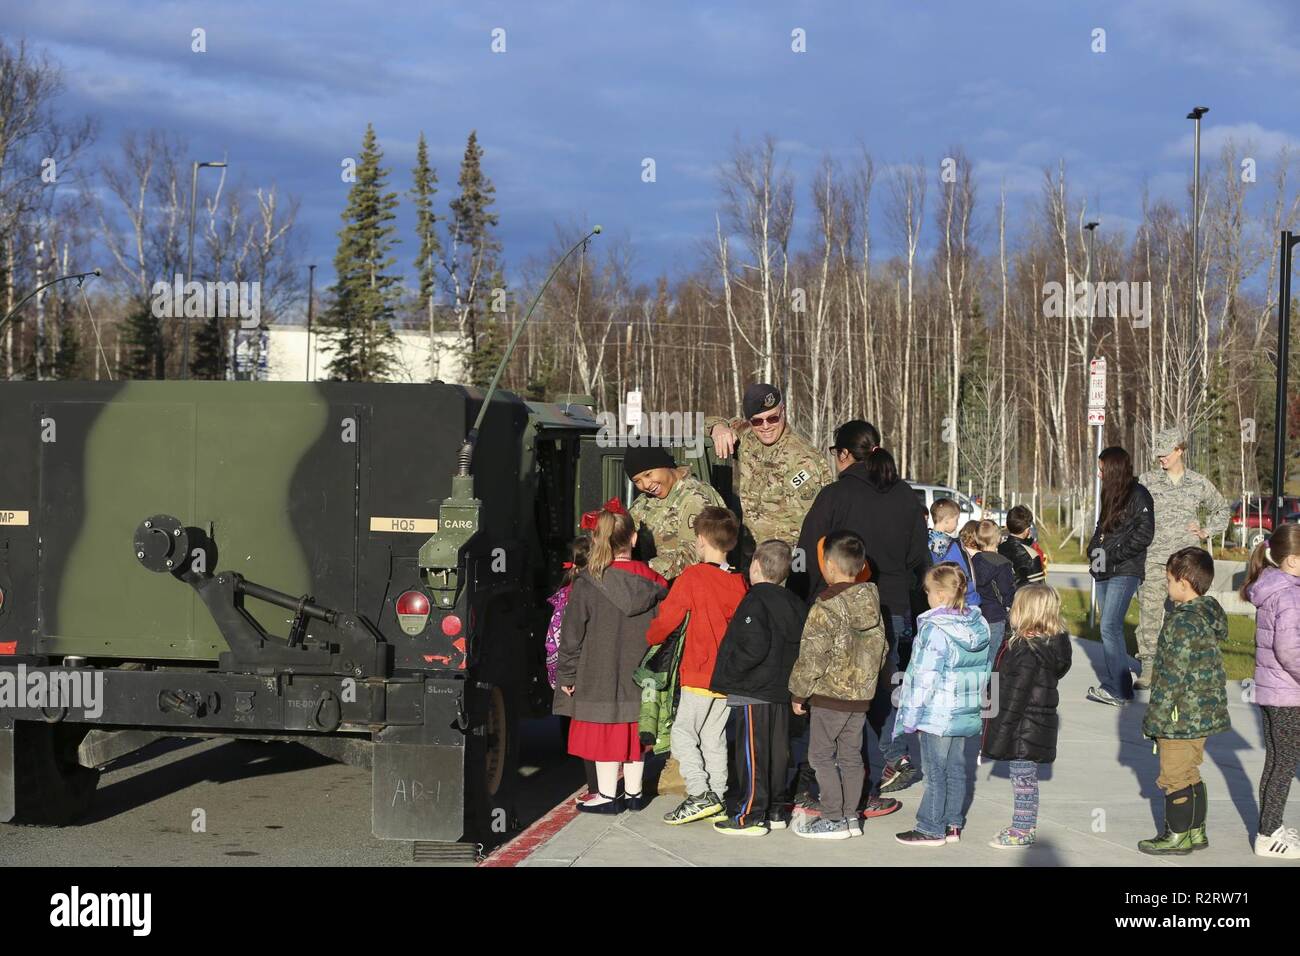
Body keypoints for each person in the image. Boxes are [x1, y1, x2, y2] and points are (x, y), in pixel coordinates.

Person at [797, 420, 928, 800]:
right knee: (887, 691)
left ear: (842, 454)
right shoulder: (905, 495)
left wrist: (803, 600)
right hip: (897, 608)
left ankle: (835, 768)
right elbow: (921, 558)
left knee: (844, 694)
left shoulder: (834, 496)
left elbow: (806, 552)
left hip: (844, 611)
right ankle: (894, 756)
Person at [553, 505, 668, 813]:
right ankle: (633, 794)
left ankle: (605, 795)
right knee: (635, 732)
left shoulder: (588, 583)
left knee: (603, 734)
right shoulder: (656, 582)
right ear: (633, 538)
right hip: (641, 675)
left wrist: (566, 676)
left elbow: (572, 636)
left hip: (597, 675)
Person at [644, 506, 748, 825]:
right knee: (713, 736)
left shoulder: (692, 577)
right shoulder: (740, 582)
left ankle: (700, 793)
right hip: (728, 674)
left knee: (682, 734)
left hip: (699, 672)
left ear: (701, 539)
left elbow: (669, 618)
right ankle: (717, 793)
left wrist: (651, 637)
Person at [786, 531, 889, 841]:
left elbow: (812, 655)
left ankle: (832, 817)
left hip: (829, 695)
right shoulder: (872, 602)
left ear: (829, 565)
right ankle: (850, 817)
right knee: (850, 756)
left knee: (820, 756)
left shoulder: (826, 606)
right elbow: (881, 651)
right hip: (860, 697)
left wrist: (799, 691)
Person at [709, 539, 809, 836]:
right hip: (781, 690)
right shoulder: (794, 603)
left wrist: (730, 670)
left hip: (753, 688)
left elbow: (753, 645)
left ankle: (749, 813)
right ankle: (776, 808)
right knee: (778, 751)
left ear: (755, 566)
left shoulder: (755, 599)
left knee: (752, 752)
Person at [1138, 547, 1229, 854]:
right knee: (1191, 771)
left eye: (1168, 579)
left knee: (1174, 775)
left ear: (1184, 583)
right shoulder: (1206, 616)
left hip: (1179, 715)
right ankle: (1196, 830)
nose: (1166, 586)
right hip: (1202, 714)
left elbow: (1170, 678)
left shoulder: (1180, 623)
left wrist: (1155, 720)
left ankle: (1176, 834)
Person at [893, 562, 991, 847]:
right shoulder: (978, 623)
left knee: (935, 771)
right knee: (956, 768)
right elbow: (984, 669)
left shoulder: (934, 629)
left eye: (927, 592)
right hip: (963, 709)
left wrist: (909, 717)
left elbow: (923, 678)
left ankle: (930, 827)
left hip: (936, 713)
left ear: (937, 594)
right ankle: (953, 824)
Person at [1135, 428, 1231, 689]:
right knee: (1150, 612)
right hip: (1154, 559)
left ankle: (1181, 663)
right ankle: (1149, 666)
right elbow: (1129, 511)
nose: (1160, 459)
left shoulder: (1198, 483)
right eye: (1158, 454)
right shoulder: (1147, 481)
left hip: (1186, 562)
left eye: (1165, 453)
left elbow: (1222, 509)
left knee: (1186, 614)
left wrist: (1206, 530)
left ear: (1179, 450)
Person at [980, 584, 1071, 849]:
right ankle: (1023, 825)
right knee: (1025, 779)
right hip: (1034, 724)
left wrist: (997, 734)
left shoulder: (1026, 651)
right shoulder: (1050, 645)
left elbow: (1013, 697)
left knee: (1023, 782)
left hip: (1022, 727)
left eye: (1015, 608)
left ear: (1025, 613)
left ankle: (1023, 829)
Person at [706, 383, 834, 556]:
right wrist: (718, 428)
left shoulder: (805, 460)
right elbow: (713, 421)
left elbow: (824, 520)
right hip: (750, 558)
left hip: (787, 562)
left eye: (773, 418)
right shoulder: (748, 437)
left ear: (783, 411)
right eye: (758, 421)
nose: (766, 426)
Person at [1241, 524, 1300, 859]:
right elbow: (1289, 649)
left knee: (1276, 761)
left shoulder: (1271, 586)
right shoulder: (1290, 593)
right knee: (1284, 764)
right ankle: (1267, 834)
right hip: (1288, 692)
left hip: (1270, 690)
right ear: (1291, 561)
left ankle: (1271, 826)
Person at [1085, 446, 1154, 707]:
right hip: (1104, 568)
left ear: (1112, 468)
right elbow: (1102, 529)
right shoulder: (1110, 494)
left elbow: (1144, 534)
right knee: (1108, 626)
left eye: (1102, 469)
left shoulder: (1139, 495)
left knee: (1109, 625)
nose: (1099, 474)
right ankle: (1121, 683)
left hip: (1125, 570)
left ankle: (1119, 689)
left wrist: (1114, 555)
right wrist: (1093, 550)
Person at [546, 534, 600, 803]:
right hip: (592, 668)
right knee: (594, 732)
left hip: (572, 669)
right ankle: (600, 787)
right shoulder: (595, 590)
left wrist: (556, 674)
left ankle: (594, 788)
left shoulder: (567, 594)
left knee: (581, 732)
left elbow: (554, 639)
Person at [625, 445, 725, 582]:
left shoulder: (695, 497)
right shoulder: (644, 502)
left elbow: (693, 555)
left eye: (648, 474)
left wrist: (642, 569)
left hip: (692, 589)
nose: (646, 484)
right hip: (654, 586)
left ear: (664, 464)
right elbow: (623, 537)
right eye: (637, 481)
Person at [972, 519, 1015, 662]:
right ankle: (993, 685)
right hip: (995, 617)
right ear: (998, 539)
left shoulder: (972, 561)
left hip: (975, 616)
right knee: (994, 660)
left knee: (978, 659)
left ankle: (979, 684)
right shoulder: (1003, 563)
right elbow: (1007, 593)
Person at [999, 504, 1046, 587]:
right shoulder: (1032, 555)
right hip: (1023, 599)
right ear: (1027, 530)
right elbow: (1039, 590)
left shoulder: (999, 548)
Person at [928, 498, 961, 563]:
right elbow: (961, 570)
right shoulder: (951, 547)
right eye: (956, 520)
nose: (958, 524)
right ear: (947, 520)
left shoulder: (923, 540)